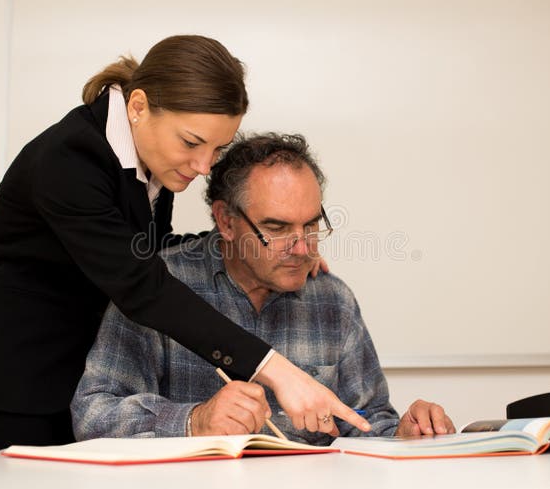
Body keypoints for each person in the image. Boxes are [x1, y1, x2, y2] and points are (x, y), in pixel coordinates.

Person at [0, 36, 369, 458]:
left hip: (77, 376)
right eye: (191, 142)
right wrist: (275, 370)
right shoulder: (67, 161)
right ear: (138, 107)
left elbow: (148, 248)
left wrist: (258, 243)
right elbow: (143, 284)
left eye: (217, 148)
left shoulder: (151, 158)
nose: (203, 166)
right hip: (18, 382)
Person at [71, 133, 455, 442]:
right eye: (276, 228)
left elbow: (366, 422)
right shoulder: (159, 288)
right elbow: (93, 414)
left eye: (311, 225)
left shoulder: (332, 300)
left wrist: (406, 434)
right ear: (226, 221)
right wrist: (194, 420)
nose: (302, 249)